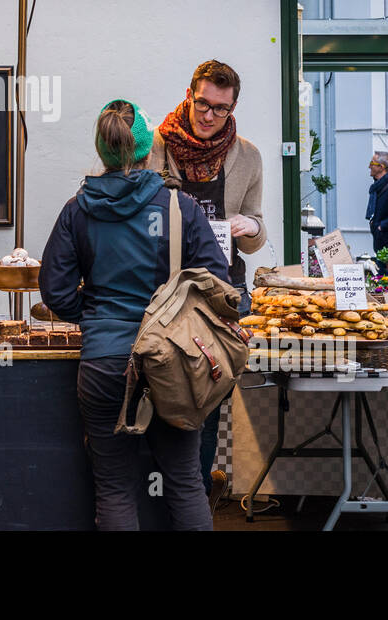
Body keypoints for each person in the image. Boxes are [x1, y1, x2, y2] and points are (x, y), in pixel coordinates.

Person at [40, 99, 232, 531]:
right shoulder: (179, 208)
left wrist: (93, 315)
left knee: (113, 487)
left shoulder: (78, 210)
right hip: (172, 362)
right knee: (185, 481)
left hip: (104, 360)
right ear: (148, 150)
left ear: (104, 150)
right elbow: (217, 285)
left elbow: (54, 290)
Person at [148, 60, 265, 492]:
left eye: (221, 109)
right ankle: (160, 493)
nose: (209, 115)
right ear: (189, 94)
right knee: (160, 384)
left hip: (223, 291)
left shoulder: (248, 156)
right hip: (165, 289)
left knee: (211, 390)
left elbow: (256, 226)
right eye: (203, 103)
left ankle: (194, 491)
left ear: (232, 109)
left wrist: (250, 228)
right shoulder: (157, 144)